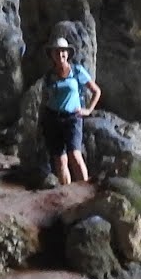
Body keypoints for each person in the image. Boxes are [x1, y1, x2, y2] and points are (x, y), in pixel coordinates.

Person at [41, 36, 99, 186]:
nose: (60, 54)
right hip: (53, 118)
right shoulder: (49, 76)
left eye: (63, 51)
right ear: (52, 55)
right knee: (60, 159)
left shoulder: (77, 71)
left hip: (73, 118)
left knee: (75, 155)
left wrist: (88, 110)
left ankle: (85, 192)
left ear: (67, 53)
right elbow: (46, 98)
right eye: (57, 52)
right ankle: (67, 194)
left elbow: (96, 91)